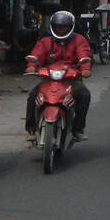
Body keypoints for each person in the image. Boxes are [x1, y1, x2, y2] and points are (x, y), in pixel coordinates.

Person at [25, 10, 93, 140]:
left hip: (70, 80)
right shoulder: (46, 41)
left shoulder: (79, 40)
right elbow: (36, 54)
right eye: (57, 27)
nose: (60, 30)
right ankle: (32, 128)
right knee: (33, 95)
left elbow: (84, 55)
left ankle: (78, 128)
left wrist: (85, 69)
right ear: (52, 27)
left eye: (63, 27)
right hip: (48, 79)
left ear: (70, 27)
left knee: (84, 95)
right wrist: (32, 66)